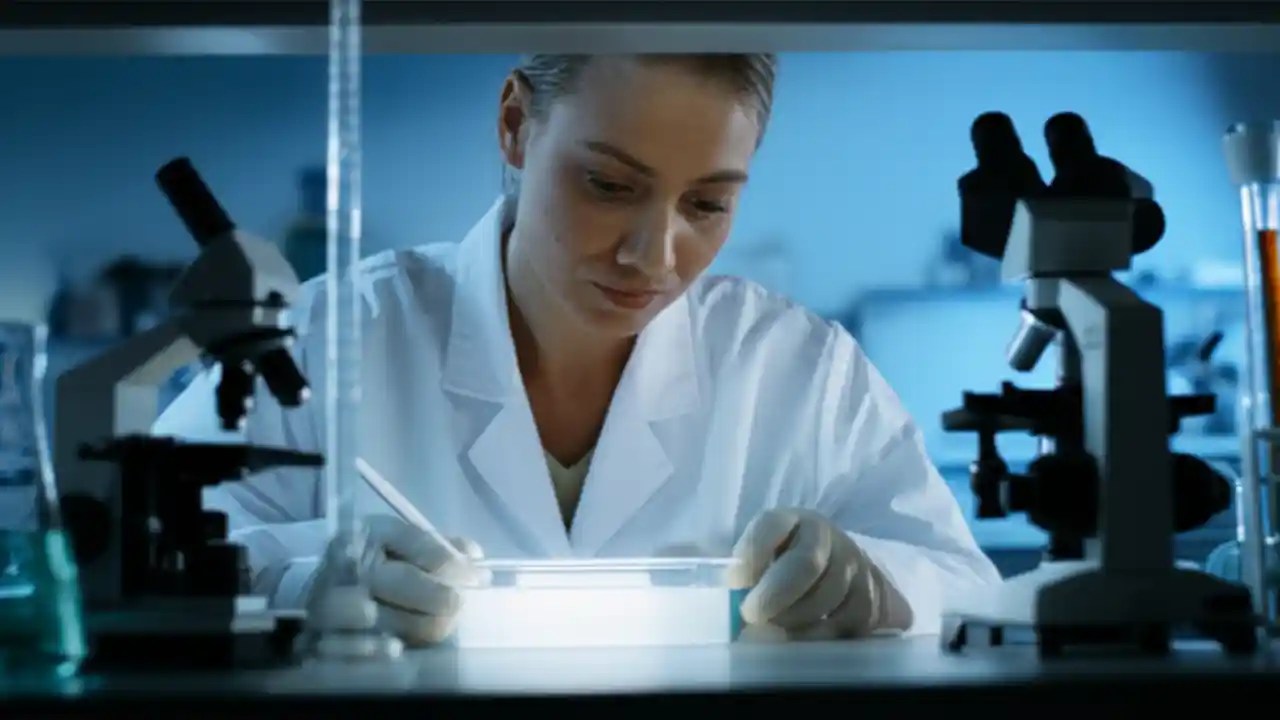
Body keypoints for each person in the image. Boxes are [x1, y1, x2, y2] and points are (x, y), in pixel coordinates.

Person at [154, 53, 1001, 648]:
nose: (653, 256)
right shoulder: (333, 334)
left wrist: (874, 587)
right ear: (516, 125)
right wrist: (306, 587)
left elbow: (965, 585)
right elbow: (137, 549)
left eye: (706, 204)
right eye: (608, 185)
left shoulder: (801, 370)